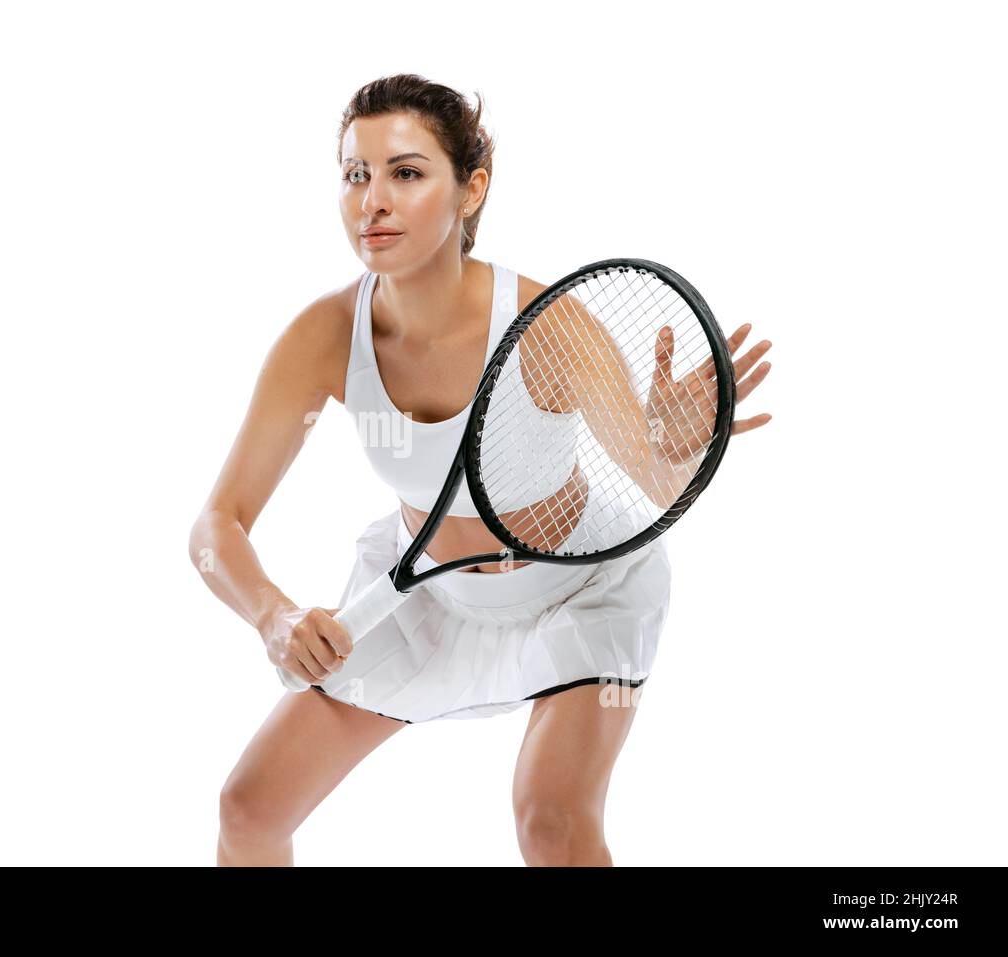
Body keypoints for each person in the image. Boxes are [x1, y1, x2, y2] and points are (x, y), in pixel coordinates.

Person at [188, 73, 774, 866]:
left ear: (472, 189)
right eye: (356, 174)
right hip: (430, 595)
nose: (373, 200)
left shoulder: (548, 323)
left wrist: (675, 445)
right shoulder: (324, 336)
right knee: (248, 808)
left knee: (551, 820)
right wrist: (276, 617)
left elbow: (657, 488)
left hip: (582, 589)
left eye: (406, 172)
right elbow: (217, 525)